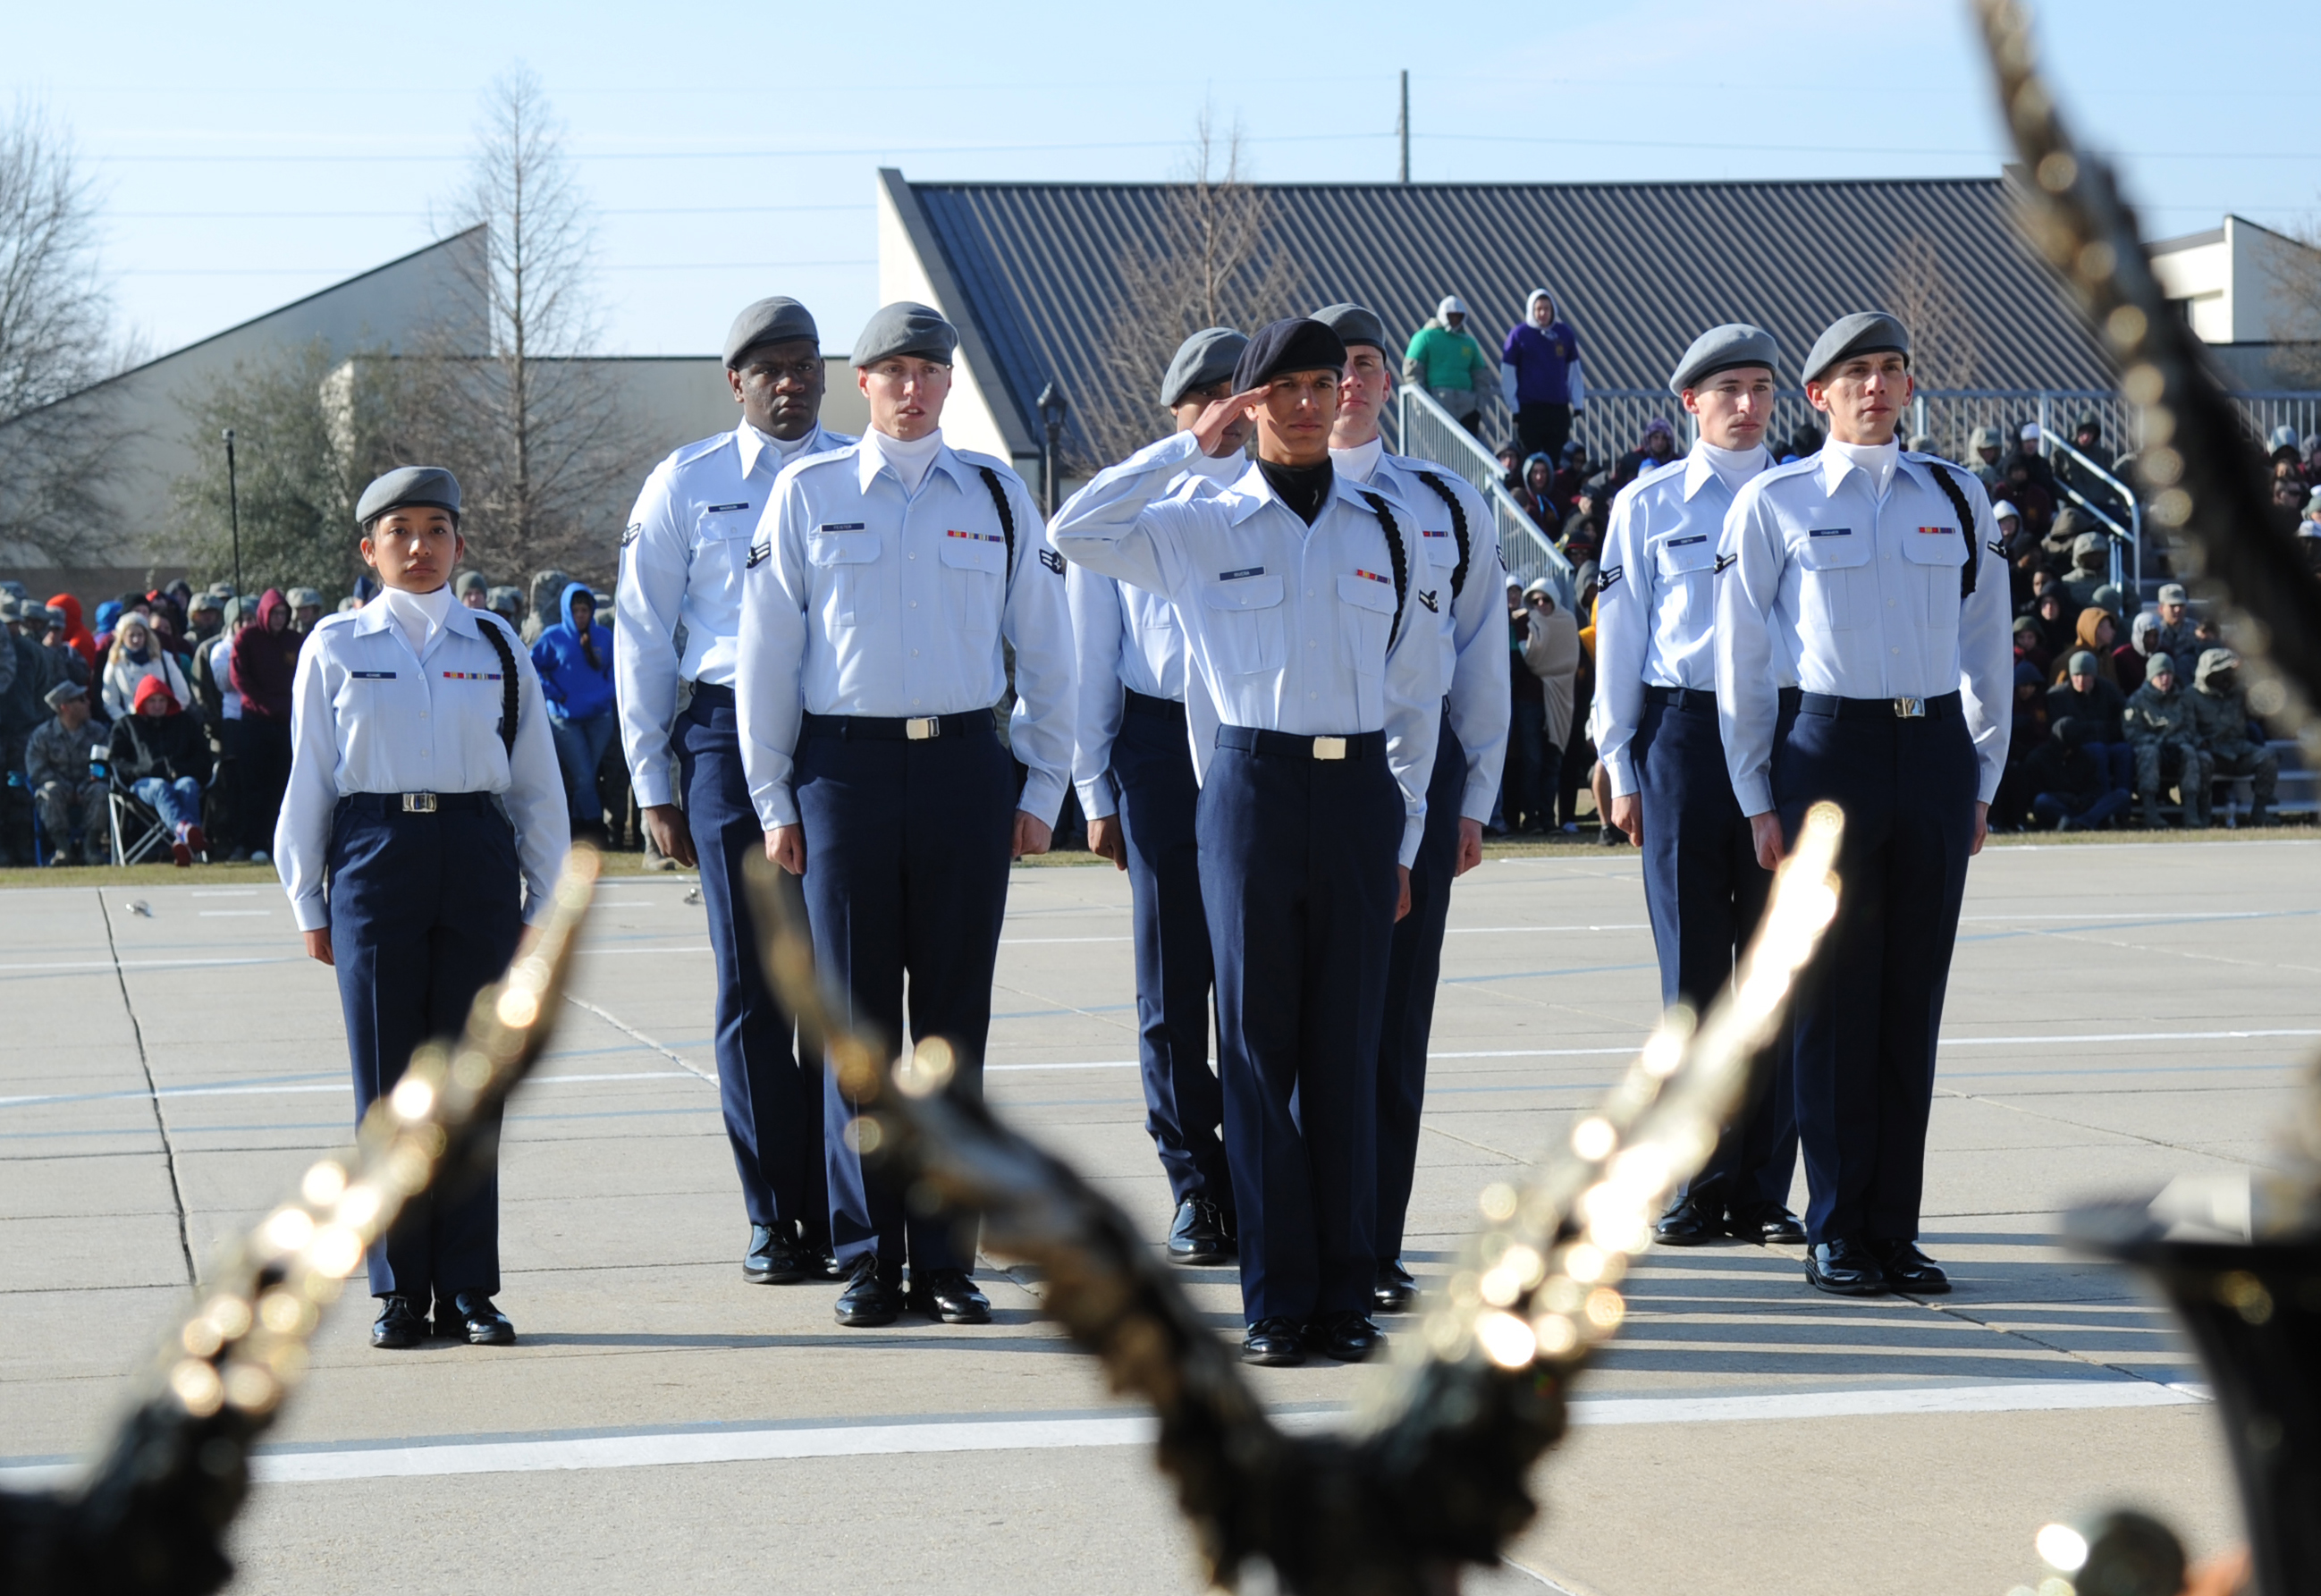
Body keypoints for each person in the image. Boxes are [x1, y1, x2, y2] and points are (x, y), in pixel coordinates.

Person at [1053, 316, 1440, 1367]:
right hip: (1248, 790)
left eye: (1325, 383)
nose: (1311, 403)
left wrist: (1403, 837)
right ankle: (1276, 1300)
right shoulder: (1197, 521)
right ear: (1250, 402)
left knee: (1345, 1054)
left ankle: (1344, 1293)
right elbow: (1074, 533)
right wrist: (1190, 442)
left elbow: (1415, 693)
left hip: (1359, 793)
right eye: (1286, 388)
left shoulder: (1386, 528)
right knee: (1260, 1057)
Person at [738, 301, 1072, 1330]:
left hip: (968, 768)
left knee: (954, 1027)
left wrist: (1044, 784)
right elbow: (767, 656)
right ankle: (871, 1258)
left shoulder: (995, 494)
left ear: (947, 383)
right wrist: (772, 794)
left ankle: (946, 1258)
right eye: (895, 371)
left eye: (931, 371)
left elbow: (1046, 647)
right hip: (844, 776)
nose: (915, 388)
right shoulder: (807, 493)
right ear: (863, 383)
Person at [1715, 310, 2009, 1298]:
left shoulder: (1955, 497)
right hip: (1826, 750)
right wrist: (1755, 791)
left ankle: (1894, 1227)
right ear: (1818, 396)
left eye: (1890, 369)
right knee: (1836, 1000)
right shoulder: (1774, 503)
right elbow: (1743, 662)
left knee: (1908, 1000)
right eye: (1855, 374)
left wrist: (1980, 775)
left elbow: (1986, 650)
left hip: (1929, 752)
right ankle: (1836, 1228)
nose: (1876, 387)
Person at [277, 465, 569, 1351]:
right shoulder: (335, 645)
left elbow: (535, 785)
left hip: (475, 857)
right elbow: (310, 779)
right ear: (368, 550)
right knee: (388, 1086)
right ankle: (401, 1291)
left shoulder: (495, 645)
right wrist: (306, 897)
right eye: (398, 530)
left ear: (458, 545)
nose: (418, 546)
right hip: (374, 858)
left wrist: (543, 898)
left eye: (435, 529)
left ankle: (470, 1288)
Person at [618, 296, 857, 1288]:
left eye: (806, 365)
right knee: (754, 985)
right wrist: (652, 778)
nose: (793, 382)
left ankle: (852, 1214)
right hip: (720, 739)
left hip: (836, 743)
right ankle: (777, 1216)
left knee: (843, 982)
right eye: (772, 369)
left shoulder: (858, 473)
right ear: (737, 382)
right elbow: (641, 629)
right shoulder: (687, 484)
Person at [1315, 300, 1509, 1315]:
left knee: (1392, 1031)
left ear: (1389, 380)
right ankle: (1301, 1239)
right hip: (1293, 785)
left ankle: (1375, 1244)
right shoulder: (1245, 495)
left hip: (1412, 781)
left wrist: (1471, 798)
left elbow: (1479, 660)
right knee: (1296, 1030)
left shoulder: (1445, 502)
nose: (1343, 383)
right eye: (1322, 368)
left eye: (1359, 364)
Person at [1594, 324, 1802, 1249]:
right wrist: (1617, 755)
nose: (1748, 406)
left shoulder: (1803, 495)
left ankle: (1760, 1189)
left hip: (1785, 734)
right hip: (1681, 735)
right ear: (1690, 402)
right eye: (1729, 390)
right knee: (1691, 982)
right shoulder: (1645, 505)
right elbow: (1622, 631)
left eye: (1761, 388)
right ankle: (1691, 1182)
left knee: (1773, 976)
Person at [1066, 325, 1249, 1267]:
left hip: (1257, 746)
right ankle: (1194, 1184)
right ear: (1177, 412)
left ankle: (1256, 1179)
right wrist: (1091, 778)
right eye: (1206, 399)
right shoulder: (1139, 502)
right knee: (1173, 982)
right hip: (1155, 745)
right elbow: (1092, 647)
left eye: (1238, 395)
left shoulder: (1276, 495)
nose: (1227, 414)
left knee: (1258, 981)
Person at [531, 582, 617, 842]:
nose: (581, 614)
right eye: (576, 610)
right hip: (565, 719)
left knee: (589, 774)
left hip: (599, 718)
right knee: (582, 775)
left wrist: (600, 697)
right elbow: (531, 668)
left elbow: (617, 674)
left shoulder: (604, 637)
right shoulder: (553, 636)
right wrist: (557, 694)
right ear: (567, 611)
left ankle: (580, 827)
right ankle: (592, 830)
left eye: (585, 609)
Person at [108, 675, 211, 866]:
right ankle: (184, 829)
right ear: (142, 702)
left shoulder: (185, 723)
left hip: (180, 778)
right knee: (160, 787)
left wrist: (180, 769)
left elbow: (202, 757)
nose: (157, 705)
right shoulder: (126, 725)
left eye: (162, 700)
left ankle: (185, 845)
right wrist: (142, 770)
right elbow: (117, 760)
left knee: (188, 785)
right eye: (152, 700)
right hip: (143, 784)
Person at [232, 589, 303, 861]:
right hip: (255, 723)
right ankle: (249, 842)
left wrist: (289, 707)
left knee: (283, 785)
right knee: (252, 786)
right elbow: (239, 677)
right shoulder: (247, 638)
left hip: (287, 724)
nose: (278, 618)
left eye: (283, 613)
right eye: (274, 613)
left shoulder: (294, 641)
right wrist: (265, 705)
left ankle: (280, 843)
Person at [2189, 647, 2279, 825]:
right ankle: (2205, 813)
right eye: (2221, 672)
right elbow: (2186, 728)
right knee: (2202, 760)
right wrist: (2199, 742)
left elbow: (2261, 706)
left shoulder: (2239, 693)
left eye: (2228, 671)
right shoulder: (2191, 696)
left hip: (2239, 751)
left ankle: (2259, 812)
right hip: (2213, 752)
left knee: (2268, 758)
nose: (2225, 676)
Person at [1498, 288, 1585, 460]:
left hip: (1558, 409)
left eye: (1547, 308)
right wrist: (1514, 406)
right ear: (1531, 310)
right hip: (1529, 409)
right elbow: (1508, 372)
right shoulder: (1519, 334)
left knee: (1556, 458)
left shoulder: (1564, 334)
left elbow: (1574, 370)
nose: (1543, 313)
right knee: (1530, 457)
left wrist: (1577, 402)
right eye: (1539, 309)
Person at [27, 680, 107, 865]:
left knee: (101, 791)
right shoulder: (42, 735)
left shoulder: (98, 732)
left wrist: (83, 786)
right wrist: (67, 789)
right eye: (81, 700)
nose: (87, 703)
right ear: (65, 707)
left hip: (88, 787)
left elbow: (103, 766)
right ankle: (63, 849)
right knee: (48, 792)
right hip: (59, 788)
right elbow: (37, 770)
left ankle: (90, 848)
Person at [2123, 653, 2207, 828]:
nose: (2165, 679)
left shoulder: (2182, 698)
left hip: (2176, 745)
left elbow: (2190, 728)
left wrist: (2175, 742)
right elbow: (2132, 732)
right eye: (2160, 674)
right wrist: (2158, 742)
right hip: (2150, 746)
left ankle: (2191, 810)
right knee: (2149, 754)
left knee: (2190, 753)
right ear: (2151, 676)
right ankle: (2150, 810)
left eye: (2169, 674)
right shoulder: (2137, 700)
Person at [1524, 579, 1580, 830]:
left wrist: (1546, 671)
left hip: (1559, 699)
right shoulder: (1524, 621)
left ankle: (1548, 817)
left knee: (1552, 762)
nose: (1541, 605)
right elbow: (1529, 660)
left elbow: (1569, 663)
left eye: (1545, 599)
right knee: (1532, 762)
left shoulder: (1567, 622)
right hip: (1530, 702)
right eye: (1535, 601)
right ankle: (1531, 818)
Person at [1402, 295, 1494, 430]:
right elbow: (1413, 372)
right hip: (1437, 404)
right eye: (1451, 315)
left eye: (1458, 316)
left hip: (1467, 408)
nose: (1455, 319)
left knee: (1466, 449)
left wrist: (1478, 407)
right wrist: (1423, 403)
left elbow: (1481, 376)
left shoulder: (1469, 342)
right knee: (1437, 448)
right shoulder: (1425, 337)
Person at [2047, 651, 2131, 796]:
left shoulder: (2107, 690)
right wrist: (2095, 729)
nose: (2080, 680)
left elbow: (2121, 718)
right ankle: (2105, 801)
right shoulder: (2059, 696)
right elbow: (2061, 729)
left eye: (2085, 675)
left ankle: (2123, 803)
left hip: (2107, 741)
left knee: (2124, 750)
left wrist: (2104, 731)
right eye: (2076, 675)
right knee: (2098, 751)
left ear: (2094, 675)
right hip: (2077, 747)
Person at [1499, 578, 1547, 832]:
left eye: (1518, 592)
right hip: (1500, 696)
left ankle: (1530, 817)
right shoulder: (1492, 619)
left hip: (1526, 697)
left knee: (1527, 757)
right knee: (1502, 758)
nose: (1514, 596)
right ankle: (1503, 819)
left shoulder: (1528, 621)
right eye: (1510, 591)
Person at [2024, 717, 2129, 832]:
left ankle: (2078, 823)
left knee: (2122, 795)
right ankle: (2088, 821)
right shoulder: (2037, 758)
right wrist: (2065, 798)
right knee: (2042, 801)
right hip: (2059, 805)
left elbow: (2094, 788)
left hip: (2083, 806)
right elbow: (2035, 793)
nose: (2068, 752)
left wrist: (2084, 800)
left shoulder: (2085, 758)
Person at [97, 612, 190, 724]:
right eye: (131, 635)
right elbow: (110, 701)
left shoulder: (163, 658)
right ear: (122, 637)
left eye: (140, 635)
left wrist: (170, 715)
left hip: (165, 722)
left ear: (146, 636)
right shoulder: (115, 662)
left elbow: (182, 693)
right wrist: (127, 724)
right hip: (134, 724)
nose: (136, 640)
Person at [2150, 582, 2200, 666]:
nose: (2178, 610)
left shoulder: (2196, 630)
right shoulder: (2155, 632)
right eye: (2172, 606)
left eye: (2181, 605)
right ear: (2161, 609)